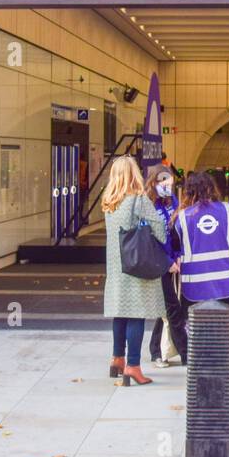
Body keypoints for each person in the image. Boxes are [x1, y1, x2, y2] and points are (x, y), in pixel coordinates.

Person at [169, 171, 229, 382]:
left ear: (188, 191)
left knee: (195, 327)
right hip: (225, 280)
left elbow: (176, 246)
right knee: (228, 325)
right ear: (213, 189)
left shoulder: (182, 218)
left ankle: (200, 369)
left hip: (195, 284)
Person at [101, 155, 167, 387]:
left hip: (116, 264)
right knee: (136, 314)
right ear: (134, 173)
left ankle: (117, 359)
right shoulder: (138, 199)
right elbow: (159, 226)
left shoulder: (109, 200)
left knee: (120, 312)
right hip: (136, 264)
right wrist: (163, 243)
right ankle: (134, 366)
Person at [146, 165, 188, 368]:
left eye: (170, 183)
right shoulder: (147, 206)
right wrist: (166, 262)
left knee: (167, 309)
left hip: (173, 263)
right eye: (164, 183)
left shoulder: (173, 202)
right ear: (154, 182)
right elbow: (148, 240)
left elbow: (177, 231)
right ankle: (186, 353)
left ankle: (156, 351)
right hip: (158, 264)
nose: (167, 187)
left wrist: (178, 255)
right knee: (173, 310)